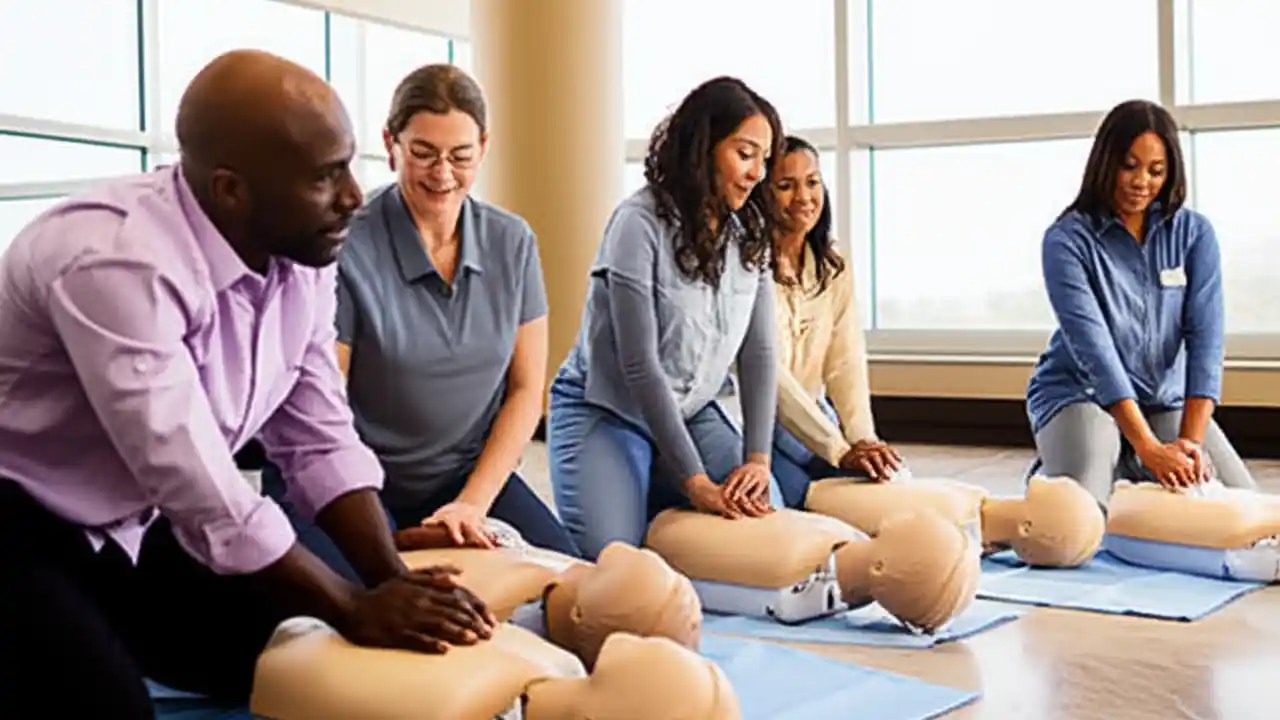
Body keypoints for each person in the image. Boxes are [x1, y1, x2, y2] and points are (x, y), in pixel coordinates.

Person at [0, 51, 495, 718]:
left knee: (279, 647)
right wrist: (352, 605)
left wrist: (389, 580)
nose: (354, 196)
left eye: (348, 165)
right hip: (21, 513)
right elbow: (197, 482)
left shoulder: (303, 246)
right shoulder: (115, 261)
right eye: (326, 176)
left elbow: (318, 435)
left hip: (132, 516)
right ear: (232, 190)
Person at [269, 63, 578, 561]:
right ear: (390, 144)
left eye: (460, 156)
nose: (443, 173)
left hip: (459, 478)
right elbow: (323, 409)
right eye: (423, 153)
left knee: (570, 577)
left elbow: (525, 390)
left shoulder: (512, 242)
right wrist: (384, 543)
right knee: (364, 592)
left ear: (484, 147)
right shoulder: (345, 245)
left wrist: (471, 505)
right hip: (349, 481)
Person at [546, 76, 786, 560]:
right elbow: (639, 364)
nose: (756, 174)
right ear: (703, 147)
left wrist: (757, 459)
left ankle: (656, 488)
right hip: (608, 409)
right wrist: (694, 481)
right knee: (612, 559)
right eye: (745, 154)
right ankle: (647, 487)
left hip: (692, 410)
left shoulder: (749, 234)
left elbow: (759, 353)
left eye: (764, 160)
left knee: (765, 522)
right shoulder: (637, 223)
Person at [1025, 98, 1257, 507]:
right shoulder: (1065, 240)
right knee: (1087, 507)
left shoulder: (1194, 234)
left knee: (1242, 507)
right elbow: (1094, 350)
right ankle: (1077, 468)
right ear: (1106, 162)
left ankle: (1125, 463)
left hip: (1161, 401)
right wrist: (1148, 448)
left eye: (1156, 170)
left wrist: (1189, 445)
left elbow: (1206, 342)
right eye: (1129, 166)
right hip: (1080, 393)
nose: (1141, 182)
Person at [762, 135, 904, 508]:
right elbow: (770, 378)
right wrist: (837, 449)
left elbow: (845, 361)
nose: (804, 197)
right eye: (786, 186)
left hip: (815, 414)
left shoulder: (833, 263)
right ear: (762, 194)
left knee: (886, 482)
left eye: (812, 182)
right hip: (760, 423)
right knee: (800, 500)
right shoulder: (747, 268)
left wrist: (863, 439)